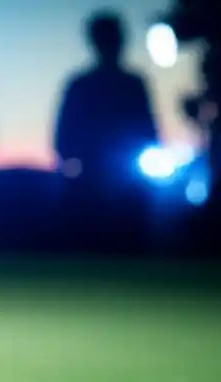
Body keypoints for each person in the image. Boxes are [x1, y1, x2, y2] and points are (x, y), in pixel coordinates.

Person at [54, 11, 159, 250]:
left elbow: (149, 130)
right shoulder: (80, 85)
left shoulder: (133, 84)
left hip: (128, 175)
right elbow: (63, 134)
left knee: (131, 237)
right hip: (90, 177)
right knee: (87, 238)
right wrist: (71, 163)